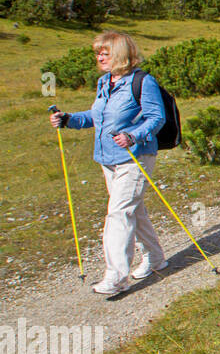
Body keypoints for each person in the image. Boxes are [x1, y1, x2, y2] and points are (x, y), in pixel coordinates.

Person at [48, 31, 168, 296]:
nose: (100, 57)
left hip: (136, 157)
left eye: (106, 53)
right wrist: (68, 119)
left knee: (118, 213)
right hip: (108, 159)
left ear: (122, 55)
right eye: (98, 53)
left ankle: (116, 276)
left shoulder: (143, 81)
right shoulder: (105, 82)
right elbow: (97, 115)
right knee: (132, 210)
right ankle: (156, 257)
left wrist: (132, 135)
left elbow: (156, 117)